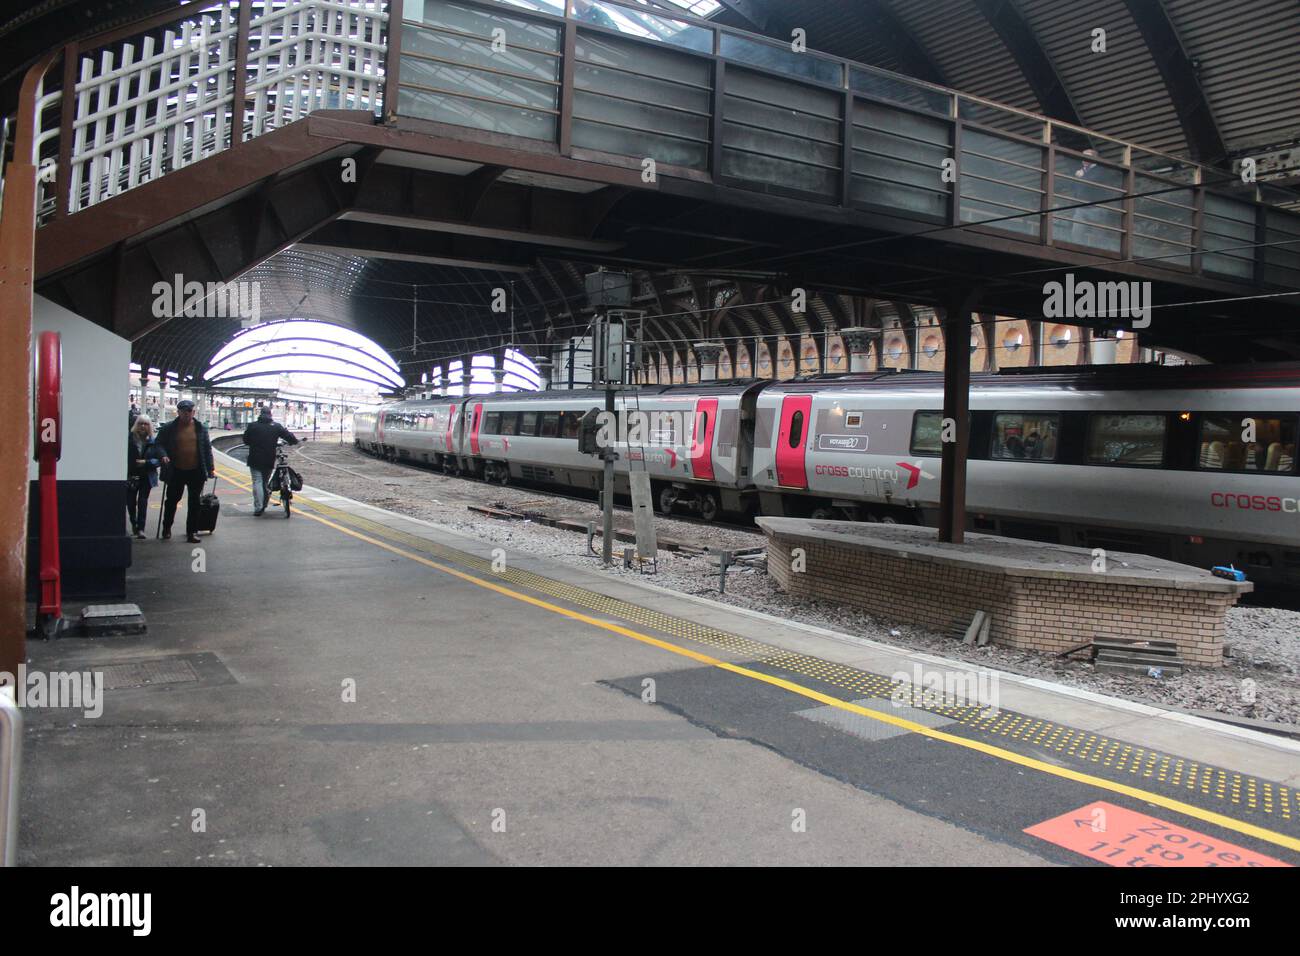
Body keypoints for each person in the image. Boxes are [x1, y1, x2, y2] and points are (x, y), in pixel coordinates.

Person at [155, 399, 215, 543]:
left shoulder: (200, 428)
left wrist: (210, 468)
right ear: (179, 412)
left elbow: (207, 449)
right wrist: (163, 455)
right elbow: (158, 444)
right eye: (184, 411)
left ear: (194, 412)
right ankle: (167, 527)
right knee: (171, 501)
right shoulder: (169, 428)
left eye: (190, 411)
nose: (187, 414)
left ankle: (191, 532)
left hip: (196, 471)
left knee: (194, 503)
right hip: (176, 470)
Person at [243, 406, 300, 516]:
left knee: (257, 482)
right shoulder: (276, 426)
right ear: (270, 415)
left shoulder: (253, 426)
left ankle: (258, 507)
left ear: (260, 414)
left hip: (254, 459)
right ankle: (264, 504)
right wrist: (294, 441)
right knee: (265, 482)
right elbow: (289, 436)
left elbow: (246, 440)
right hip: (269, 459)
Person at [126, 415, 161, 539]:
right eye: (140, 423)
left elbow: (159, 460)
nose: (142, 426)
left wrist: (146, 462)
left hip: (146, 475)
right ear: (136, 425)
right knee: (130, 502)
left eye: (145, 424)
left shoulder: (153, 441)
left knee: (142, 501)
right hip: (131, 475)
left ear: (149, 426)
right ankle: (134, 524)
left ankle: (141, 528)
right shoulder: (129, 439)